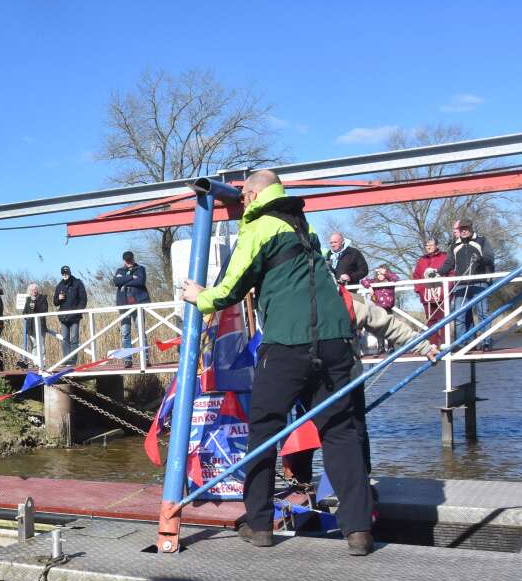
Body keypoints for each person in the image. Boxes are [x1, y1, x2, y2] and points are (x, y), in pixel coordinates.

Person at [181, 169, 373, 556]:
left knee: (265, 432)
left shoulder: (260, 227)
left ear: (251, 195)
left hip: (287, 343)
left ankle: (259, 525)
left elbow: (232, 287)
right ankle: (358, 532)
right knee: (340, 432)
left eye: (244, 197)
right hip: (336, 342)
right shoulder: (306, 226)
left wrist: (199, 296)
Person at [285, 291, 440, 490]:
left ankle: (359, 483)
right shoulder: (292, 302)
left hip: (347, 379)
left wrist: (424, 347)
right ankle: (299, 482)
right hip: (309, 379)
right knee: (305, 428)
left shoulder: (349, 301)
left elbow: (387, 325)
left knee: (354, 429)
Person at [438, 221, 495, 350]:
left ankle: (487, 341)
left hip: (479, 282)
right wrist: (437, 272)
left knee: (483, 313)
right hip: (461, 284)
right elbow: (449, 263)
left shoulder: (481, 240)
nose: (463, 231)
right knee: (459, 314)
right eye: (461, 229)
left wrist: (480, 259)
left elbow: (490, 257)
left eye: (466, 228)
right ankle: (463, 342)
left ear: (471, 228)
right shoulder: (455, 244)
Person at [113, 251, 151, 368]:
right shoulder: (120, 271)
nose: (129, 262)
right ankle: (128, 359)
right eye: (127, 260)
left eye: (130, 260)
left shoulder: (140, 269)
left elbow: (140, 281)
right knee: (125, 333)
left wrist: (125, 280)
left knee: (140, 331)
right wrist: (130, 277)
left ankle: (145, 358)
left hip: (138, 304)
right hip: (124, 306)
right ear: (124, 260)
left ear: (133, 258)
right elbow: (116, 281)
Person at [412, 238, 448, 348]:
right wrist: (419, 290)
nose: (428, 247)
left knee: (444, 319)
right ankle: (433, 344)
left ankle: (445, 343)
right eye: (427, 245)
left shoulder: (445, 257)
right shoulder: (422, 260)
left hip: (441, 293)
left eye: (430, 245)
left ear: (436, 245)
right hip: (426, 294)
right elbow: (416, 276)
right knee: (430, 319)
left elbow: (451, 273)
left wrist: (447, 287)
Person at [360, 266, 400, 354]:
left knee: (390, 327)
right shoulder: (374, 282)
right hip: (378, 308)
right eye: (378, 274)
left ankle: (391, 347)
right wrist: (369, 287)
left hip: (388, 307)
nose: (380, 276)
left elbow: (396, 278)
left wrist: (385, 272)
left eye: (382, 274)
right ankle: (381, 347)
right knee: (379, 328)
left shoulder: (390, 281)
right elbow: (363, 281)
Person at [54, 265, 87, 362]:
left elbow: (83, 299)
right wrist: (58, 299)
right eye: (63, 273)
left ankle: (73, 361)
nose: (65, 275)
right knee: (65, 339)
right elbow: (55, 302)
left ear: (70, 272)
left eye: (66, 273)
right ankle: (66, 359)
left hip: (75, 317)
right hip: (63, 317)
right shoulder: (59, 285)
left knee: (74, 339)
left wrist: (78, 311)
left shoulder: (77, 283)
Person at [22, 283, 49, 364]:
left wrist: (35, 305)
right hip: (31, 326)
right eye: (32, 289)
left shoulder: (43, 298)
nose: (34, 291)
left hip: (40, 325)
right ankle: (35, 363)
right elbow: (24, 312)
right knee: (34, 345)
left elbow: (45, 310)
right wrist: (26, 315)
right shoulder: (28, 299)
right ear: (30, 291)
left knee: (41, 344)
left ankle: (42, 362)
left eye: (35, 289)